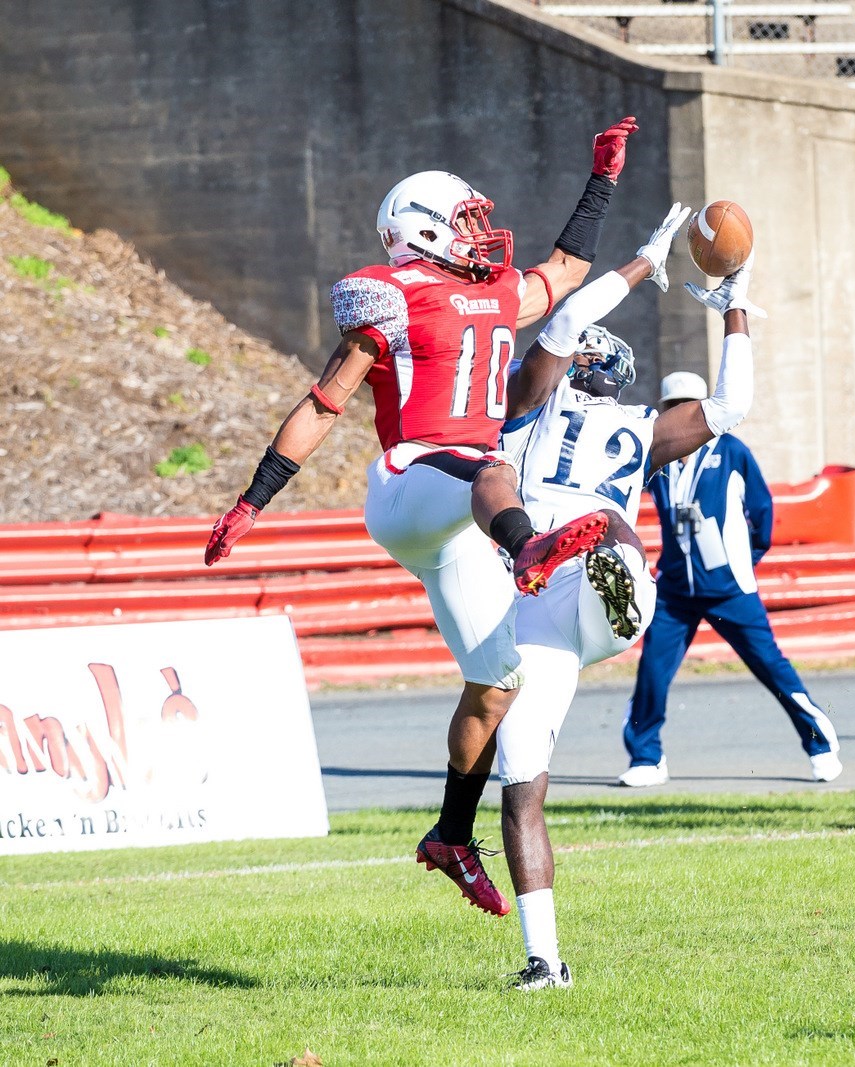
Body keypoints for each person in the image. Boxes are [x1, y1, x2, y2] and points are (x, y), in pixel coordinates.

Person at [202, 118, 641, 919]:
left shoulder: (500, 291)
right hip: (410, 485)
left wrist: (602, 178)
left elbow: (568, 268)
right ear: (424, 232)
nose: (483, 232)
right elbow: (325, 402)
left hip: (465, 515)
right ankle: (530, 546)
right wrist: (252, 499)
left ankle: (449, 834)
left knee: (498, 683)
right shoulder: (391, 294)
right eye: (467, 221)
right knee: (490, 464)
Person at [469, 248, 764, 990]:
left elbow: (731, 408)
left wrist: (735, 303)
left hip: (603, 584)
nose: (592, 364)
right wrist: (654, 267)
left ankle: (597, 552)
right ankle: (545, 961)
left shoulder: (640, 427)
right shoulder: (531, 405)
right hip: (547, 606)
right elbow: (568, 316)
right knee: (519, 777)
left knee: (607, 532)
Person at [615, 371, 842, 788]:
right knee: (652, 672)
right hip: (675, 590)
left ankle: (820, 745)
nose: (682, 413)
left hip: (730, 588)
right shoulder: (658, 459)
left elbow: (763, 513)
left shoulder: (732, 452)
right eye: (673, 406)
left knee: (771, 668)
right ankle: (647, 756)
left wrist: (744, 561)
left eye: (690, 405)